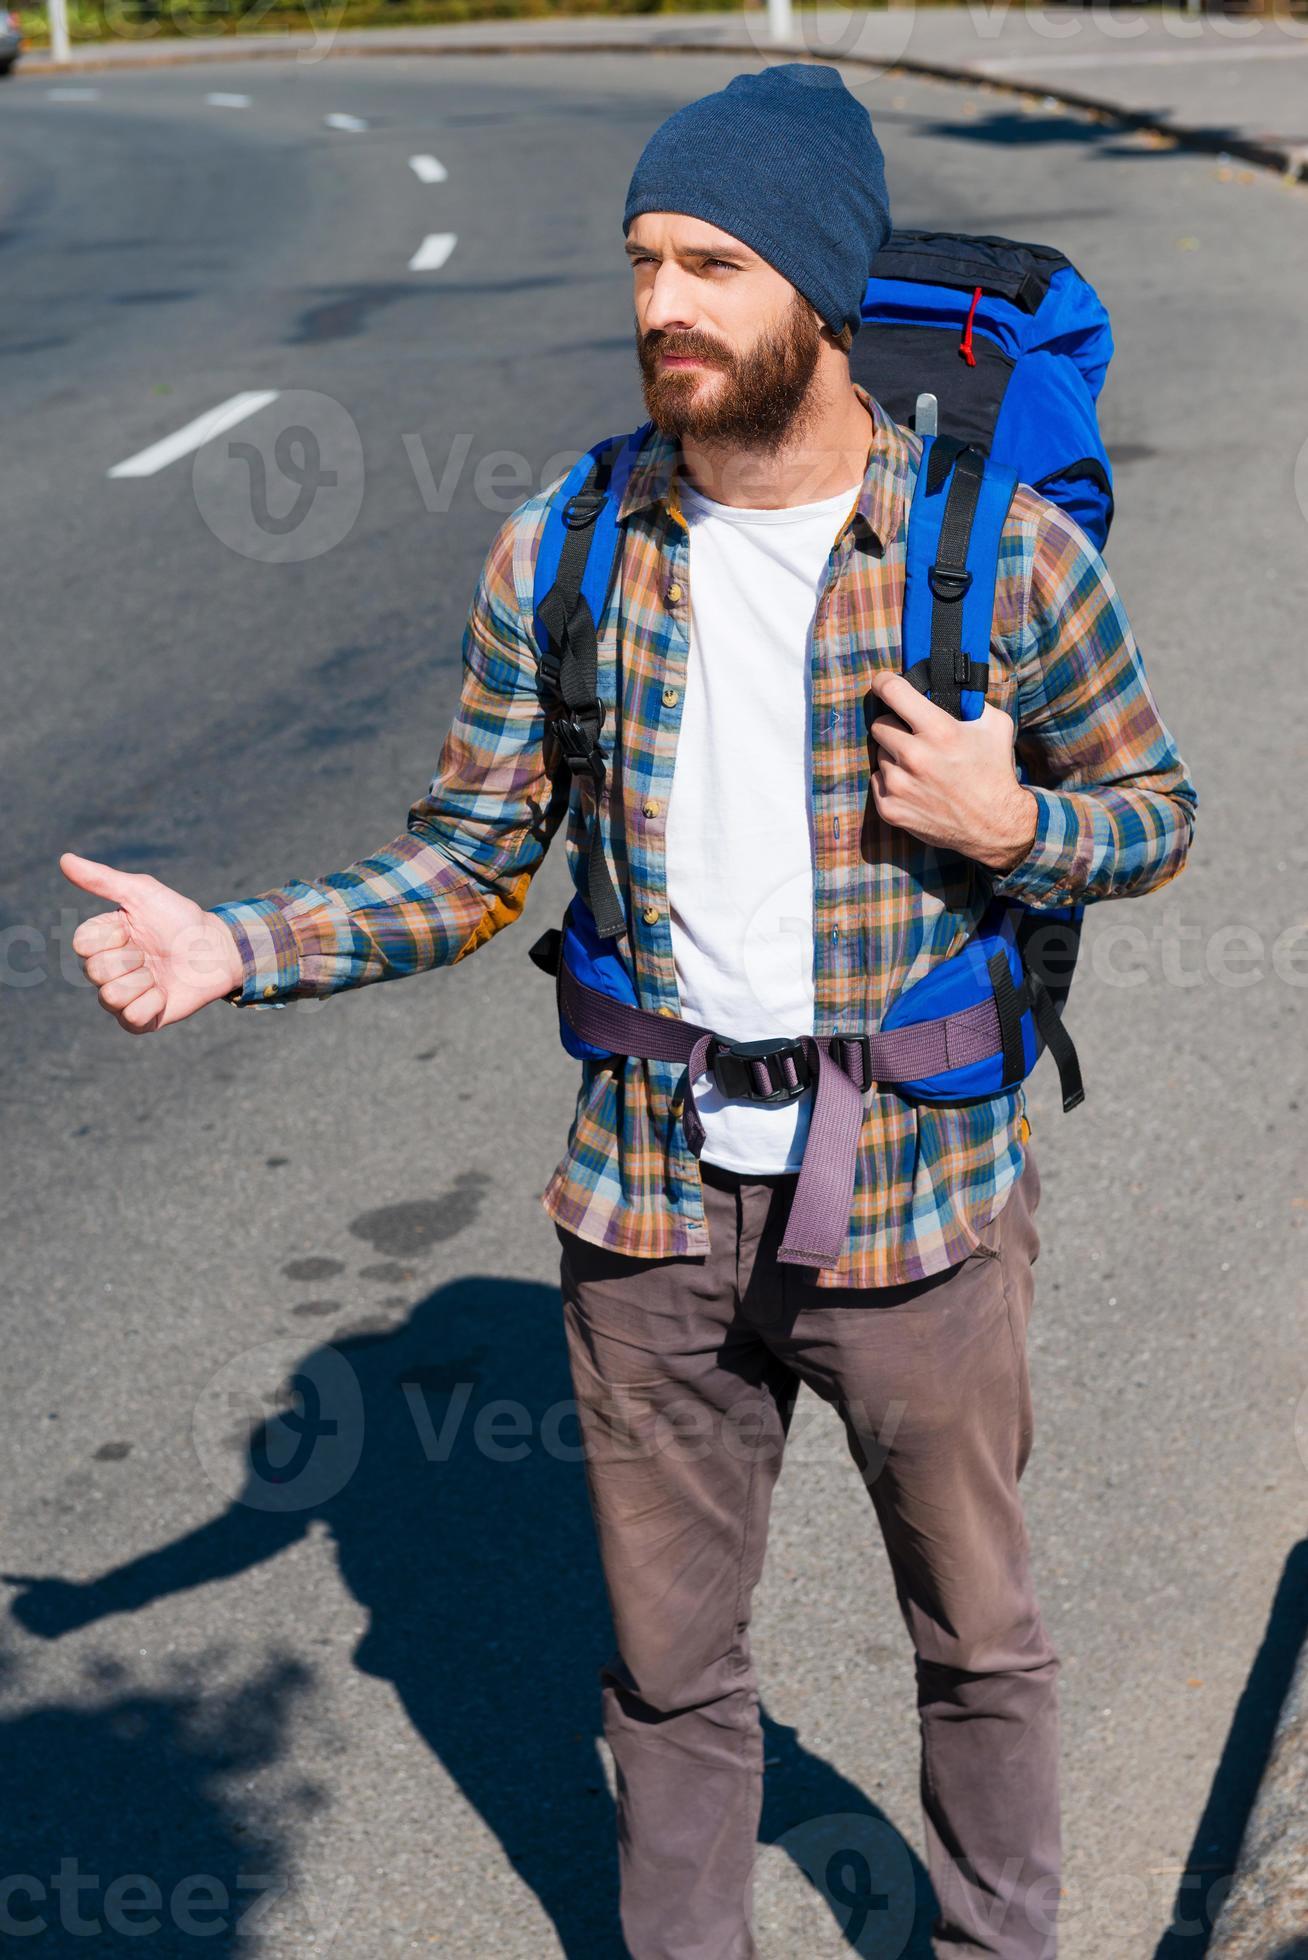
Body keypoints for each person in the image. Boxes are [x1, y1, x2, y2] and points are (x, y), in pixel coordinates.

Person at [61, 62, 1197, 1960]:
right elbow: (467, 864)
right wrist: (236, 945)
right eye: (645, 259)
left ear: (823, 296)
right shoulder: (568, 553)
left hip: (920, 1198)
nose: (665, 300)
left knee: (978, 1642)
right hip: (649, 1212)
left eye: (717, 261)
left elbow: (1159, 816)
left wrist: (1023, 824)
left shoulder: (995, 551)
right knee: (669, 1680)